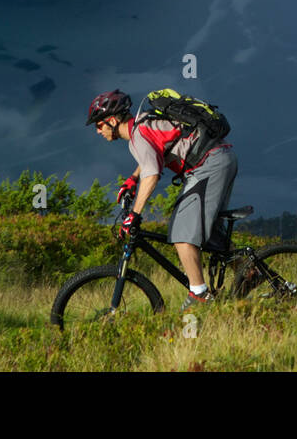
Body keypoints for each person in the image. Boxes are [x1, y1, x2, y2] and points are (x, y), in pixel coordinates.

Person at [86, 89, 238, 307]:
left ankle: (199, 296)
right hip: (220, 158)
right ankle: (249, 271)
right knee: (208, 229)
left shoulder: (137, 135)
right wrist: (133, 179)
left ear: (111, 120)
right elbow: (154, 153)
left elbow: (153, 174)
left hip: (208, 164)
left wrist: (134, 216)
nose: (97, 131)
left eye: (98, 125)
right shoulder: (144, 123)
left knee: (181, 231)